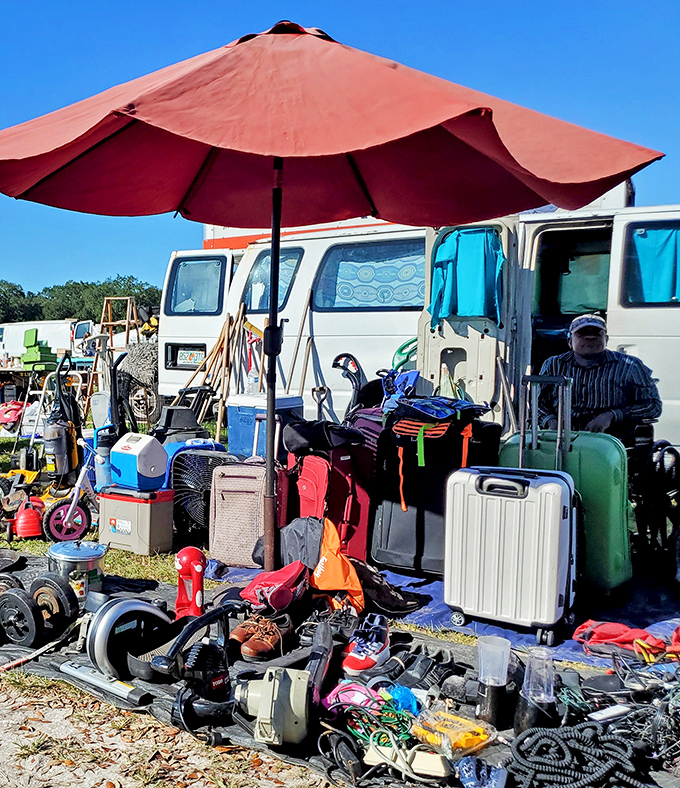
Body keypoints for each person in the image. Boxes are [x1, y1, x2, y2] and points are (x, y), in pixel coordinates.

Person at [537, 314, 662, 445]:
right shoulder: (553, 364)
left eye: (596, 334)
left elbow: (653, 406)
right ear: (569, 341)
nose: (590, 337)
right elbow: (538, 403)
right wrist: (551, 421)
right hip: (560, 439)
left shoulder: (630, 366)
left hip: (612, 440)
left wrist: (612, 415)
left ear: (606, 339)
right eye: (582, 334)